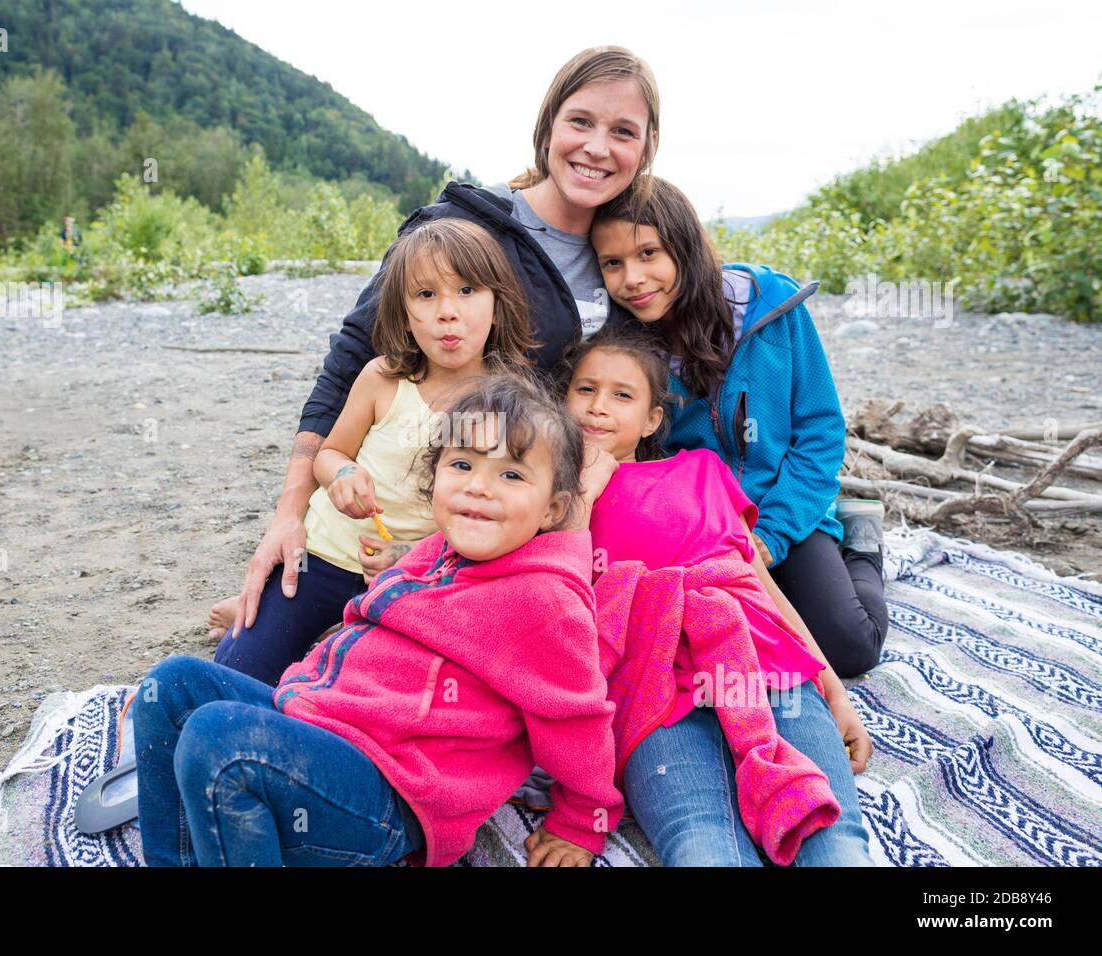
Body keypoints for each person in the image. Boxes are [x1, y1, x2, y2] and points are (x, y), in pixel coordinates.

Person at [225, 47, 662, 675]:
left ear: (645, 150)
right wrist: (287, 517)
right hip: (397, 521)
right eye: (580, 122)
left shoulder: (627, 252)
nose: (597, 147)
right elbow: (349, 361)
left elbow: (663, 349)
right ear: (546, 129)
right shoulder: (462, 231)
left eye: (623, 132)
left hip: (500, 511)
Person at [135, 374, 624, 866]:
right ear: (435, 482)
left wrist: (584, 823)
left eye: (511, 475)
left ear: (554, 509)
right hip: (332, 731)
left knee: (220, 739)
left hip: (390, 796)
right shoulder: (440, 550)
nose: (478, 487)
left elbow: (576, 724)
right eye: (462, 464)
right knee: (174, 683)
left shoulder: (545, 601)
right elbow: (365, 628)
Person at [560, 324, 875, 865]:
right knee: (704, 846)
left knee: (835, 841)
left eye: (622, 395)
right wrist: (583, 489)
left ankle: (867, 546)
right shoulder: (551, 502)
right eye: (585, 389)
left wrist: (832, 688)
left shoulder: (699, 471)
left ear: (653, 419)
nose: (599, 407)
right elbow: (554, 597)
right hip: (653, 692)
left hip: (766, 667)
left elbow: (759, 585)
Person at [206, 218, 538, 684]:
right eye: (425, 295)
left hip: (420, 579)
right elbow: (330, 452)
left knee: (363, 685)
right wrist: (341, 475)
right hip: (320, 556)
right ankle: (261, 619)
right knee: (238, 671)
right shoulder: (383, 378)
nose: (447, 312)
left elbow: (503, 513)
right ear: (402, 314)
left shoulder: (508, 405)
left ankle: (313, 634)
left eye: (467, 291)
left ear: (499, 304)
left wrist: (417, 553)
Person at [594, 177, 889, 678]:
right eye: (613, 264)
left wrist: (771, 535)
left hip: (782, 510)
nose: (633, 279)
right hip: (701, 527)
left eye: (649, 253)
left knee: (848, 648)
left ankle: (861, 542)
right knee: (705, 650)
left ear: (684, 247)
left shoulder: (771, 310)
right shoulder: (628, 347)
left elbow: (819, 429)